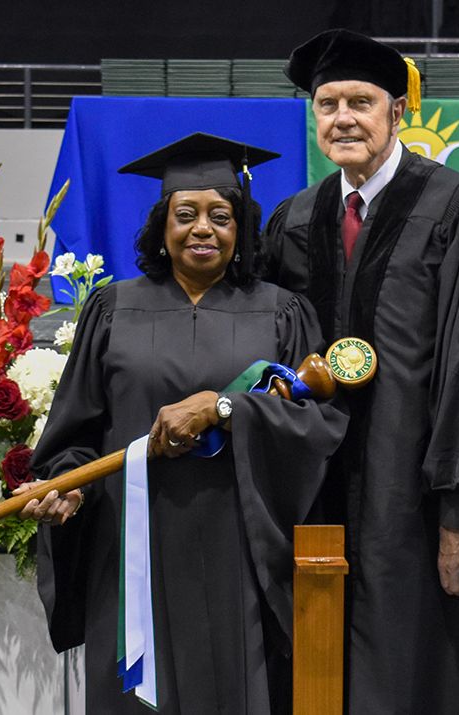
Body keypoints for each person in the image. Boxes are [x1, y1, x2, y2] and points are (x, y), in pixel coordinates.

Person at [17, 132, 347, 714]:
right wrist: (67, 487)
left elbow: (316, 424)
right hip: (130, 548)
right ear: (161, 228)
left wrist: (228, 407)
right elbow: (75, 433)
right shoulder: (113, 309)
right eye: (185, 214)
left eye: (221, 216)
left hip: (238, 545)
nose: (202, 229)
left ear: (240, 228)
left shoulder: (280, 311)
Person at [263, 29, 459, 714]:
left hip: (414, 499)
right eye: (327, 104)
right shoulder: (294, 218)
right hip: (312, 496)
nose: (342, 118)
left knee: (411, 669)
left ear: (397, 113)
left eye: (361, 102)